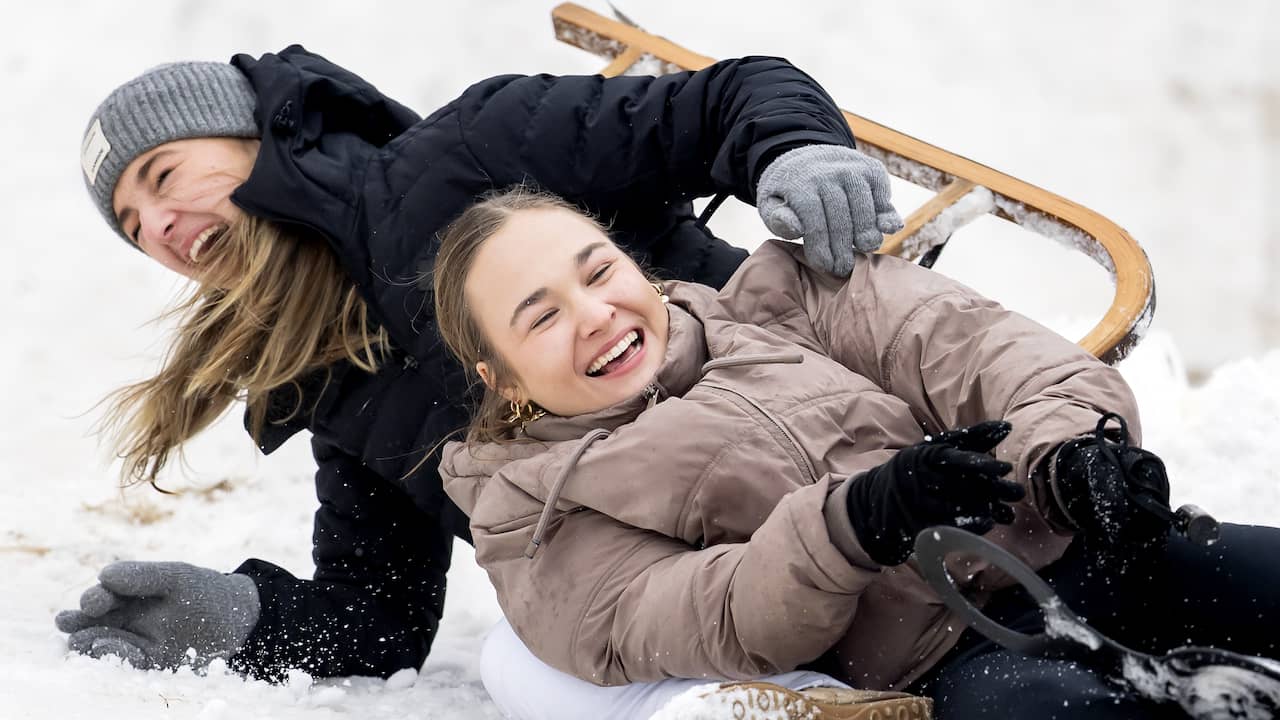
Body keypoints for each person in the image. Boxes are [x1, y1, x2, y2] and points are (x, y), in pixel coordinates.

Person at [56, 45, 906, 683]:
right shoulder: (332, 379)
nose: (162, 225)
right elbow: (380, 619)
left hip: (855, 458)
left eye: (165, 175)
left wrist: (794, 149)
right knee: (523, 665)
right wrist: (246, 621)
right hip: (728, 603)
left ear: (251, 131)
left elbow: (725, 99)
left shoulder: (475, 150)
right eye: (136, 227)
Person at [433, 187, 1280, 719]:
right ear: (500, 378)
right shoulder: (534, 512)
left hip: (1075, 549)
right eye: (540, 316)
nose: (594, 314)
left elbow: (978, 348)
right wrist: (850, 526)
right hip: (951, 660)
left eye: (598, 271)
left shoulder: (787, 297)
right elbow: (698, 614)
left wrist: (1065, 458)